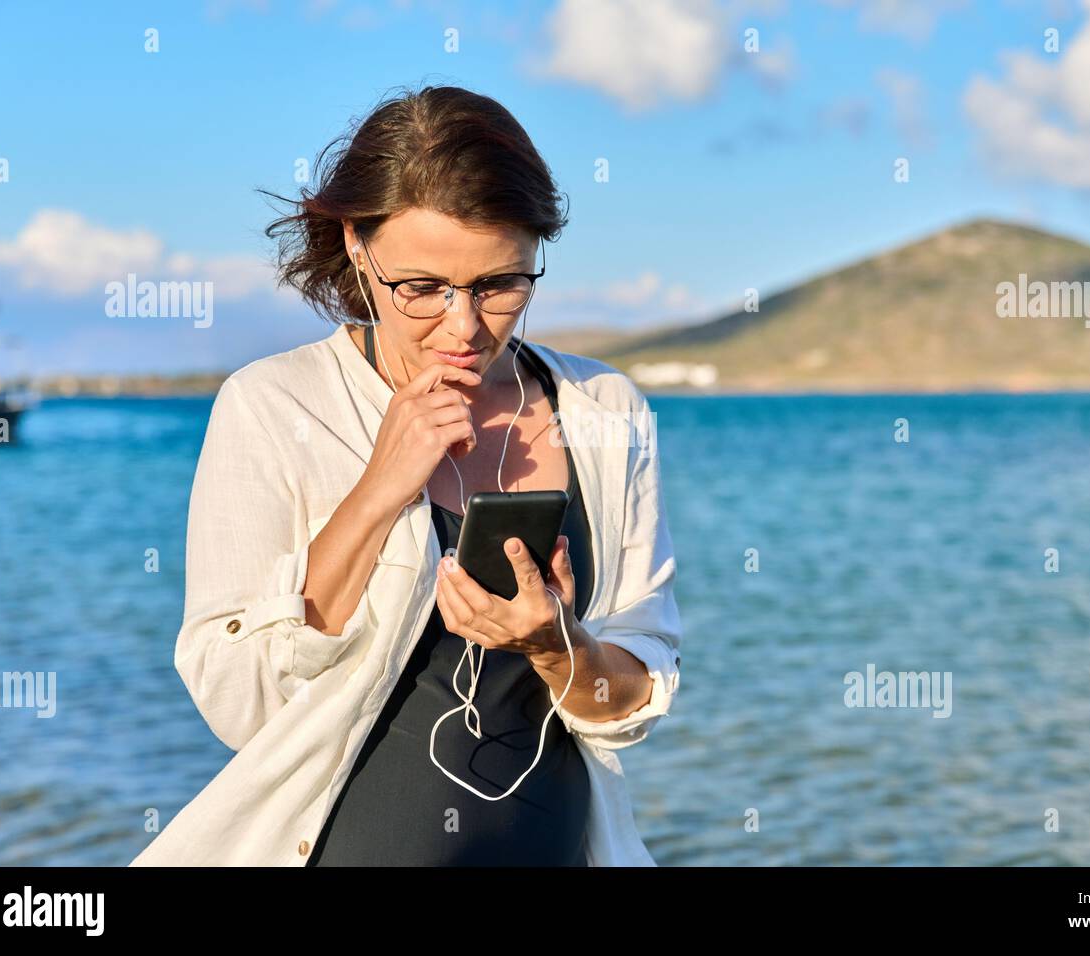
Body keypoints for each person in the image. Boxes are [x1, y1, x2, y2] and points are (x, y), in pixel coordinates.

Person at [130, 84, 682, 866]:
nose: (463, 325)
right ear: (357, 245)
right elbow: (242, 699)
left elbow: (631, 706)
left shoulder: (603, 409)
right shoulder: (274, 406)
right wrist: (380, 488)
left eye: (499, 285)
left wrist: (557, 648)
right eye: (422, 288)